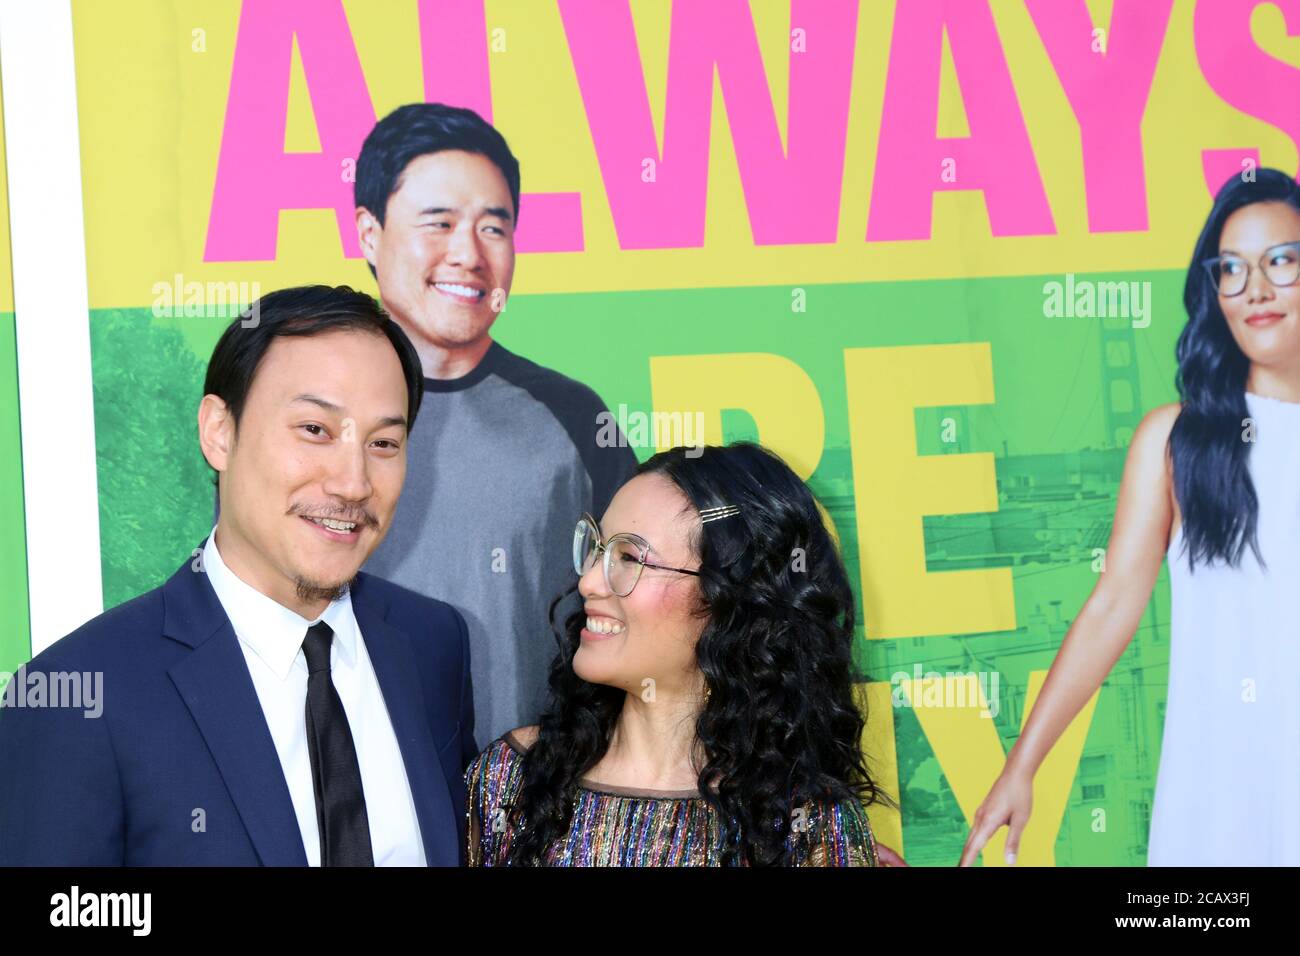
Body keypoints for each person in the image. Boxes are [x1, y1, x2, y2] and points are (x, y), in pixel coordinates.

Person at [0, 285, 475, 866]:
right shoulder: (76, 697)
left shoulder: (432, 644)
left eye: (383, 442)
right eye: (315, 430)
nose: (353, 483)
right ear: (219, 433)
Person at [960, 168, 1300, 867]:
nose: (1256, 290)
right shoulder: (1174, 442)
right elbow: (1113, 605)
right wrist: (1022, 766)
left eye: (1281, 262)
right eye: (1232, 269)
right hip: (1217, 799)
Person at [464, 442, 898, 866]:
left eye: (629, 557)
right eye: (597, 549)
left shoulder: (805, 825)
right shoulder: (510, 780)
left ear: (729, 601)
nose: (589, 582)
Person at [354, 103, 638, 748]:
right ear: (370, 234)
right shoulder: (311, 419)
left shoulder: (575, 418)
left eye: (493, 228)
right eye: (439, 222)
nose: (468, 254)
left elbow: (641, 601)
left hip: (538, 792)